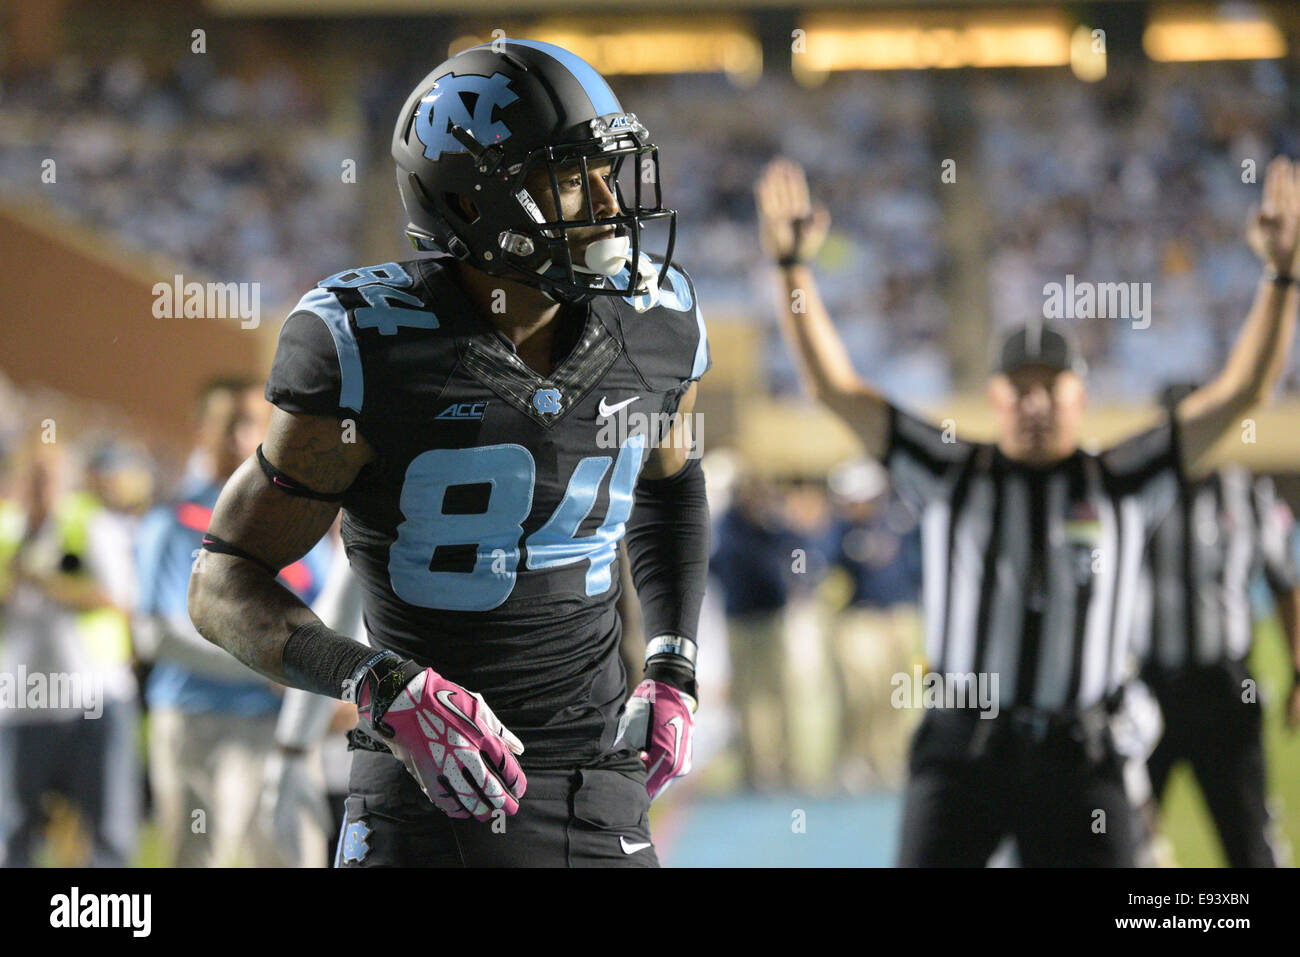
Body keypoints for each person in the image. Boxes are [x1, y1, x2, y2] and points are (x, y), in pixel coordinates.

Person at [188, 39, 710, 868]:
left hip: (601, 779)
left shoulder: (657, 320)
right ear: (472, 206)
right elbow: (221, 579)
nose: (611, 202)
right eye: (573, 176)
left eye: (609, 170)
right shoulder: (368, 344)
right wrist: (377, 682)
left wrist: (672, 662)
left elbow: (671, 487)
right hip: (427, 793)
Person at [754, 155, 1300, 866]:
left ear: (1082, 395)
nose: (1037, 400)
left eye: (1053, 385)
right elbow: (835, 388)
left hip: (1081, 757)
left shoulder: (1124, 476)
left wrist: (1282, 277)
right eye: (1021, 386)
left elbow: (1241, 395)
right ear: (995, 398)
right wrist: (791, 269)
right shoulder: (952, 467)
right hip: (962, 750)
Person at [135, 377, 332, 866]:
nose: (241, 437)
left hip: (281, 729)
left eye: (252, 424)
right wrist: (275, 669)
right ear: (201, 429)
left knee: (296, 859)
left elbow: (328, 617)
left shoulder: (294, 521)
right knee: (200, 858)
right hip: (202, 720)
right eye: (229, 424)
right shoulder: (174, 520)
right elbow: (156, 637)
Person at [1134, 382, 1300, 867]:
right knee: (1117, 837)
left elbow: (1286, 583)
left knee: (1249, 839)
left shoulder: (1247, 493)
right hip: (1146, 689)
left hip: (1225, 688)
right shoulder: (1134, 496)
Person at [0, 439, 139, 867]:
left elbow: (121, 599)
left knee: (106, 831)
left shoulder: (92, 525)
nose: (42, 485)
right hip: (22, 701)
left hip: (93, 698)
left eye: (51, 475)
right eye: (34, 475)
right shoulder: (6, 529)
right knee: (14, 832)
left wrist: (44, 582)